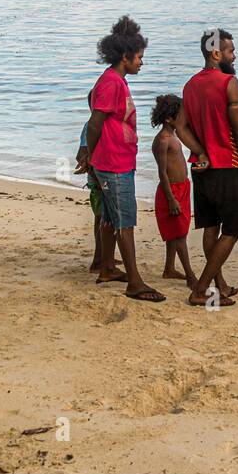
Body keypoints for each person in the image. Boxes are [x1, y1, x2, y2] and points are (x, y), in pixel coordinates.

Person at [177, 28, 238, 308]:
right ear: (216, 53)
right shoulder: (229, 82)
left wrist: (200, 151)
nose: (234, 55)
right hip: (227, 164)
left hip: (202, 168)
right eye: (230, 51)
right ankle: (201, 290)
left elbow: (180, 126)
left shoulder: (190, 85)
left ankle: (220, 285)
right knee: (235, 227)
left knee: (211, 226)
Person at [85, 16, 164, 302]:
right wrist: (88, 155)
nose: (142, 62)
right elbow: (95, 122)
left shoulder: (115, 80)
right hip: (114, 162)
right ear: (125, 57)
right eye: (140, 57)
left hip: (115, 159)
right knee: (124, 221)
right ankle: (134, 281)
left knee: (108, 217)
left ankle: (107, 267)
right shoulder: (112, 83)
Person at [151, 94, 196, 284]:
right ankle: (190, 276)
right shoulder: (163, 140)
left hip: (182, 187)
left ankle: (169, 268)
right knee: (178, 235)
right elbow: (162, 173)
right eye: (180, 115)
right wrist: (171, 199)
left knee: (177, 232)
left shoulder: (174, 136)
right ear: (169, 118)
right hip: (171, 192)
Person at [74, 89, 116, 275]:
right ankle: (98, 259)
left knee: (106, 218)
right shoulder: (90, 126)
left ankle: (105, 256)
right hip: (98, 181)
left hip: (101, 178)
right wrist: (89, 163)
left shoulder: (100, 125)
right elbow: (81, 153)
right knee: (102, 219)